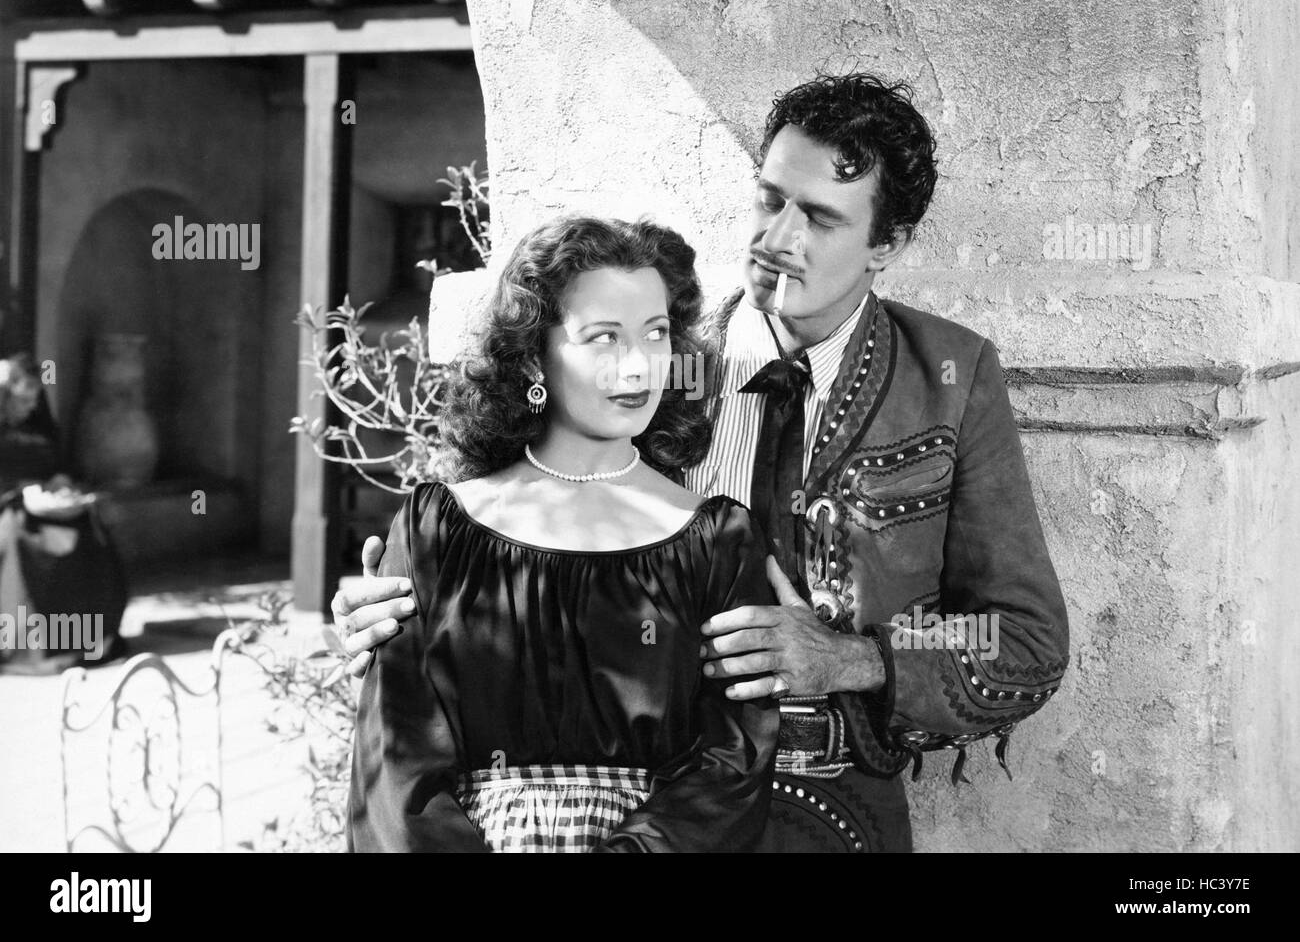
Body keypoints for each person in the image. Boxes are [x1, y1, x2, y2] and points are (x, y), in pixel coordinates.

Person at [337, 73, 1071, 852]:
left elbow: (1023, 642)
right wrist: (410, 609)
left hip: (833, 816)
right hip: (651, 815)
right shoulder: (655, 368)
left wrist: (858, 658)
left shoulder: (950, 378)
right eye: (770, 199)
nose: (777, 238)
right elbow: (532, 573)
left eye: (819, 217)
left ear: (886, 244)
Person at [346, 215, 778, 852]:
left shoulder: (716, 538)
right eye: (603, 338)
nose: (637, 367)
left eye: (655, 333)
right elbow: (394, 765)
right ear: (535, 356)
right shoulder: (437, 529)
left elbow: (733, 764)